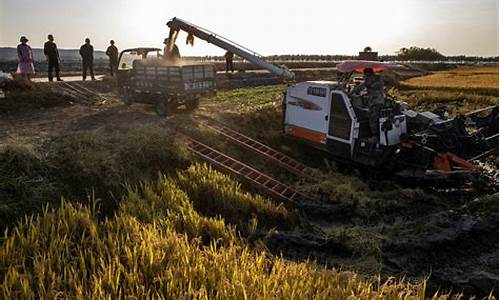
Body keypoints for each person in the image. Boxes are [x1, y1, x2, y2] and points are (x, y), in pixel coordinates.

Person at [352, 68, 385, 138]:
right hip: (381, 101)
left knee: (373, 119)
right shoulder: (379, 77)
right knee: (379, 119)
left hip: (374, 102)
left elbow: (359, 88)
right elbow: (375, 89)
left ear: (366, 73)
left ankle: (375, 137)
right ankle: (381, 135)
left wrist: (352, 92)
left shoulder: (369, 79)